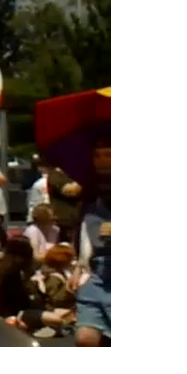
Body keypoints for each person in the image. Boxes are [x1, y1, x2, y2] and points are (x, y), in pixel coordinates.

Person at [75, 138, 110, 348]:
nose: (102, 161)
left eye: (108, 155)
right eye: (97, 156)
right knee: (85, 338)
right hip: (98, 273)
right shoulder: (90, 190)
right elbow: (85, 228)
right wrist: (80, 263)